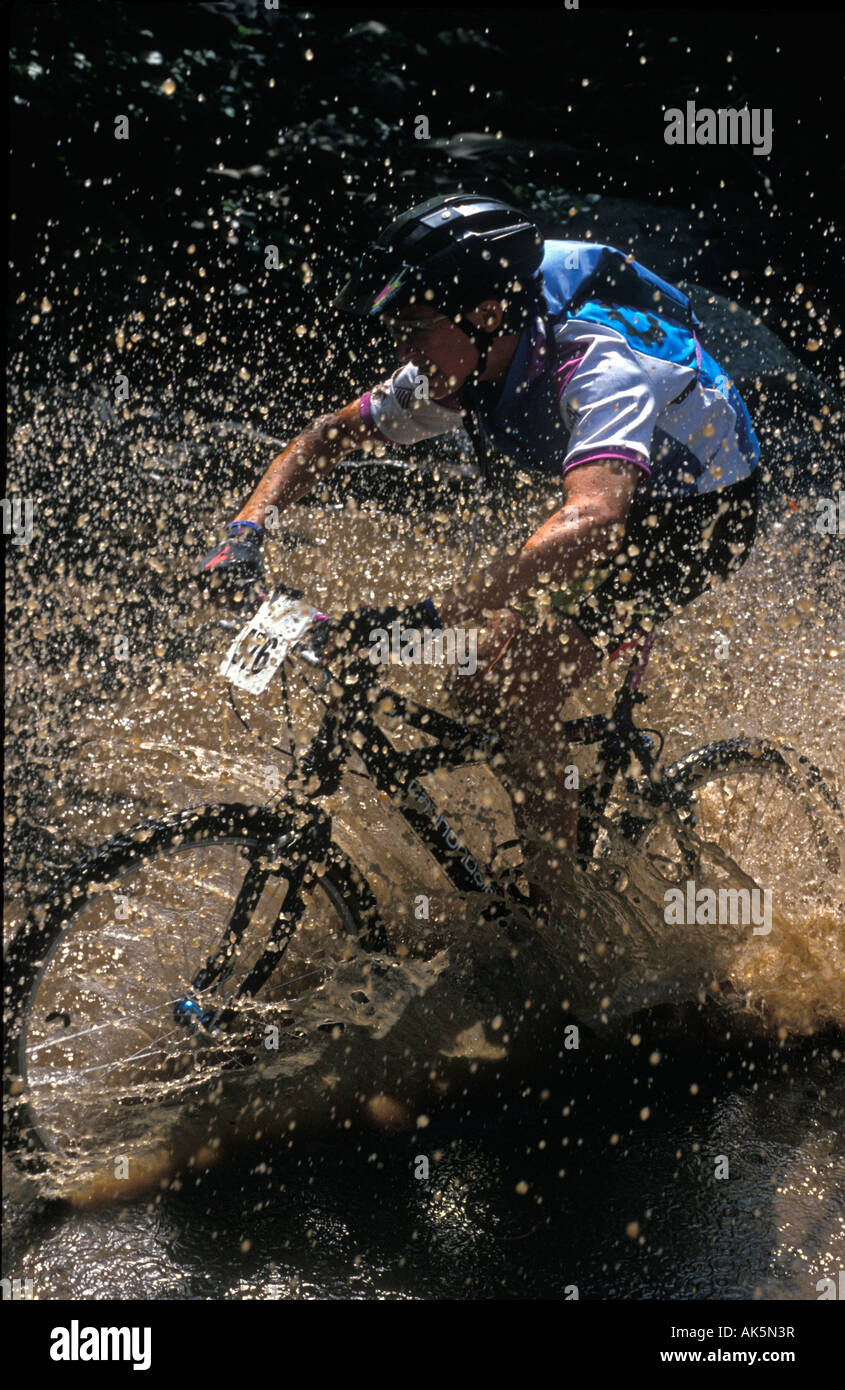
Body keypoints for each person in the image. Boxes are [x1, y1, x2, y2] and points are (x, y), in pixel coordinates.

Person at [198, 194, 760, 905]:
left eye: (413, 330)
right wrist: (242, 536)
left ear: (487, 314)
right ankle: (563, 789)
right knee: (469, 679)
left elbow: (591, 520)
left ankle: (563, 923)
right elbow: (326, 436)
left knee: (515, 685)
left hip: (694, 515)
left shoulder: (594, 363)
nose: (401, 353)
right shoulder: (463, 358)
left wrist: (432, 613)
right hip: (614, 497)